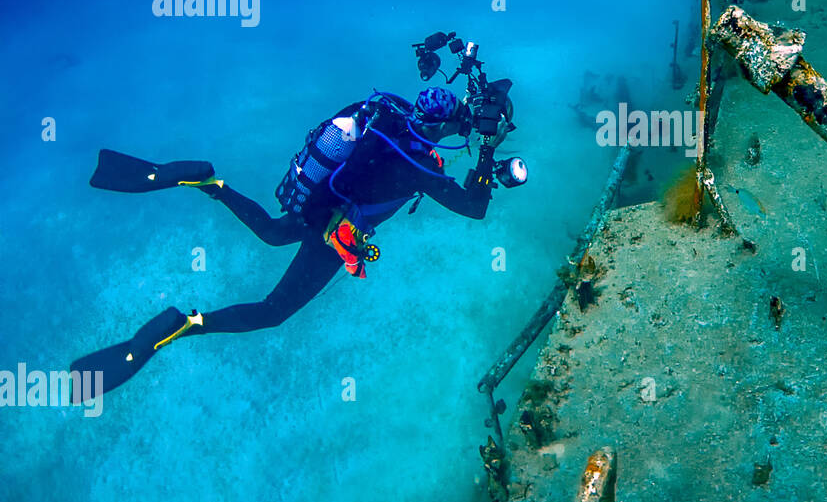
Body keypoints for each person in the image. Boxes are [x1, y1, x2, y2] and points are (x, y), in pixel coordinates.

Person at [74, 67, 526, 396]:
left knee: (272, 232)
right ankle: (185, 326)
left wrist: (471, 108)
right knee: (272, 312)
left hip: (319, 203)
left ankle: (209, 182)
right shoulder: (420, 168)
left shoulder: (391, 115)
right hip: (335, 229)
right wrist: (487, 151)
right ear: (443, 127)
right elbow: (475, 207)